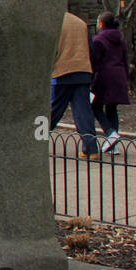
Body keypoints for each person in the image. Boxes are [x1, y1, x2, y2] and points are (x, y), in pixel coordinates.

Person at [49, 11, 100, 159]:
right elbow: (91, 50)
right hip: (83, 71)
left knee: (52, 111)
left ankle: (36, 142)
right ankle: (91, 149)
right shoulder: (80, 23)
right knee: (83, 112)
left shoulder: (53, 22)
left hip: (61, 72)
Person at [90, 11, 131, 153]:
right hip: (119, 76)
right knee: (112, 109)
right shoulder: (120, 39)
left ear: (101, 23)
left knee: (95, 106)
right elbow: (125, 61)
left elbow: (95, 63)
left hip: (104, 77)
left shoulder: (98, 40)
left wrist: (91, 81)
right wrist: (126, 78)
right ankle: (113, 146)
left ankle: (110, 133)